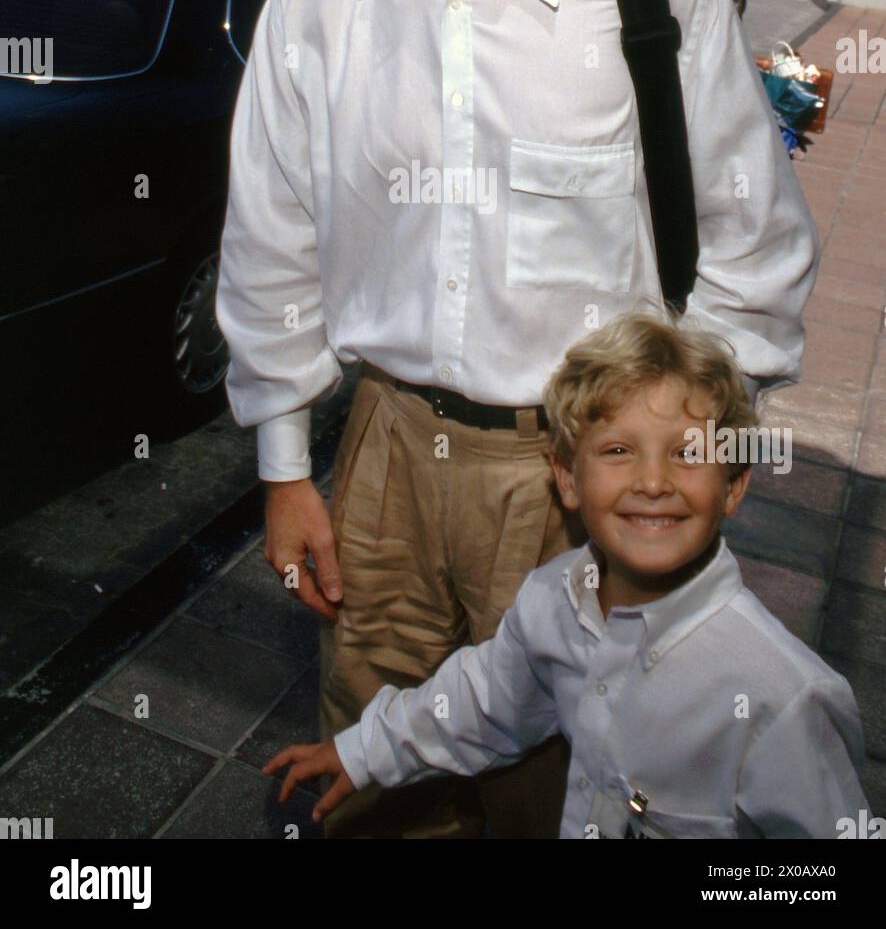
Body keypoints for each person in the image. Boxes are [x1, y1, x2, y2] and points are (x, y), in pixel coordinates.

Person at [215, 0, 820, 839]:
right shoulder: (315, 6)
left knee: (574, 788)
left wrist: (685, 483)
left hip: (583, 473)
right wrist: (288, 472)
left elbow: (750, 249)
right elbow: (271, 255)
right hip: (380, 456)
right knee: (376, 779)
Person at [263, 312, 869, 840]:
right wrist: (363, 751)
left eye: (688, 453)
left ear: (734, 485)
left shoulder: (782, 697)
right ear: (567, 478)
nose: (653, 482)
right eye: (617, 451)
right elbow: (487, 703)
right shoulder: (554, 597)